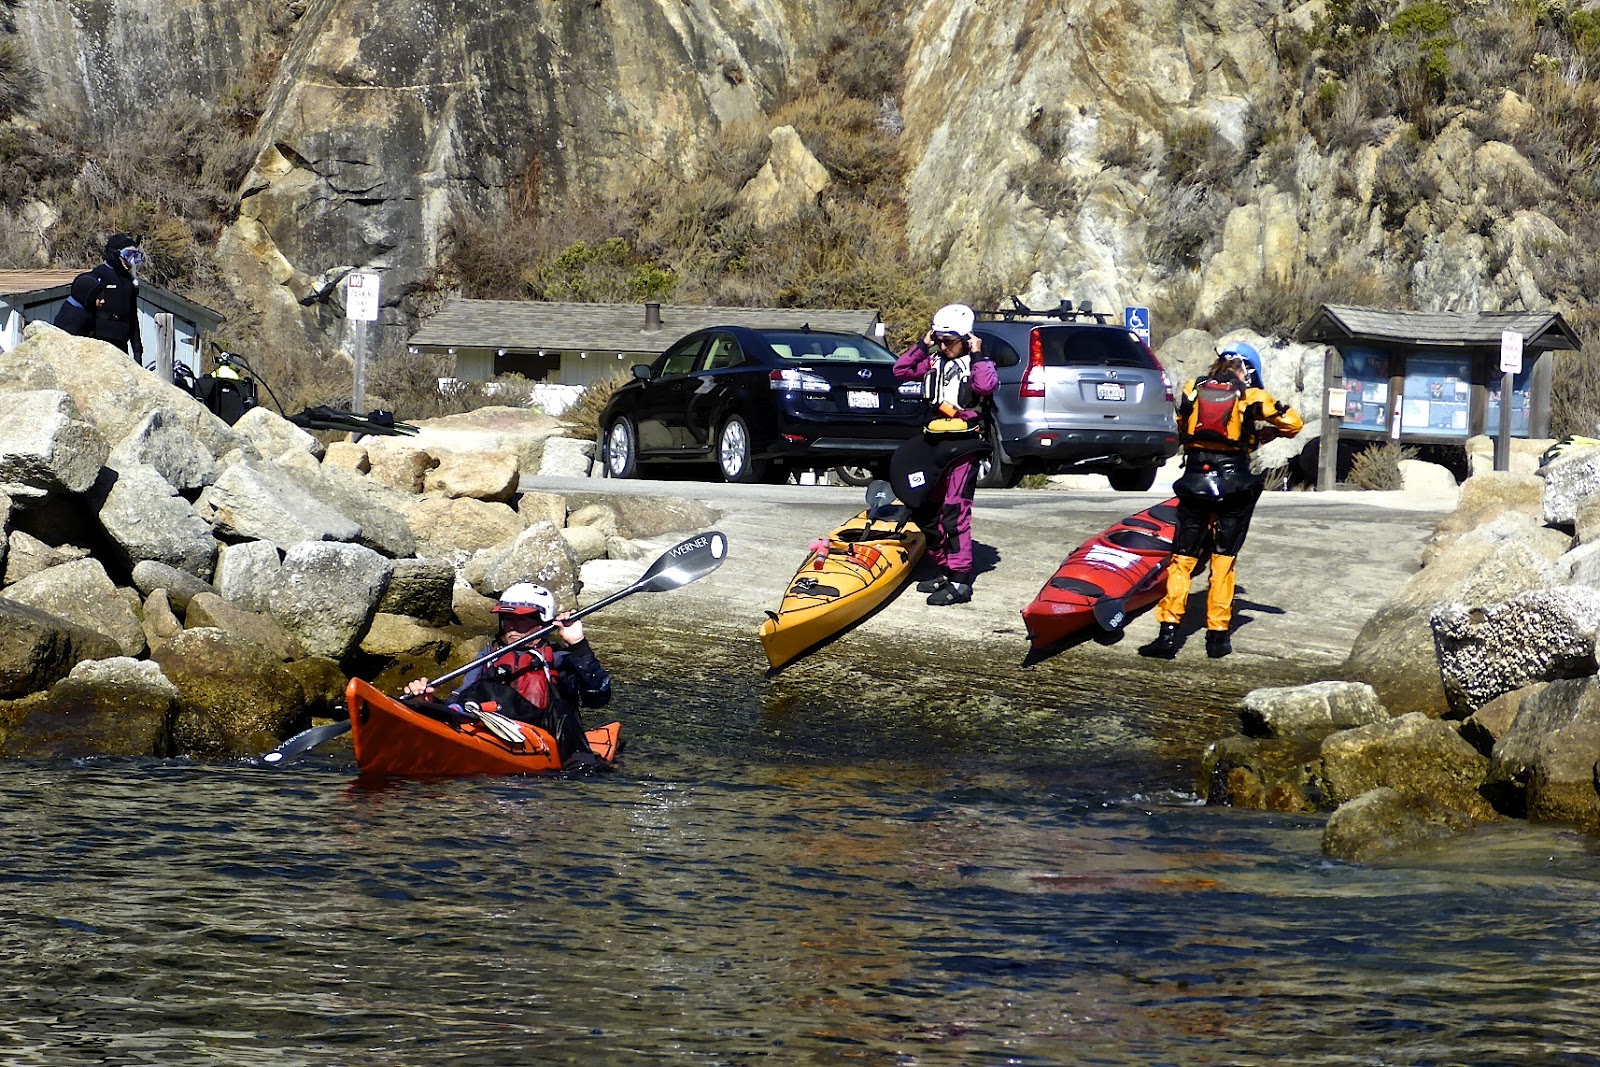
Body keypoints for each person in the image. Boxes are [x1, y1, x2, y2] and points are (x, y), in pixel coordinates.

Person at [1138, 341, 1303, 660]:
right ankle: (1217, 638)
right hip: (1235, 486)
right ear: (1248, 370)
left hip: (1196, 482)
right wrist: (1267, 434)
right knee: (1223, 561)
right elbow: (1293, 423)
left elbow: (1184, 428)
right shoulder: (1252, 396)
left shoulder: (1192, 388)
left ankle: (1168, 636)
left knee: (1182, 561)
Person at [403, 582, 611, 768]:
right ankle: (436, 711)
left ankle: (581, 765)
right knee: (478, 691)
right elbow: (462, 695)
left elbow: (597, 695)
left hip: (540, 732)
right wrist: (429, 702)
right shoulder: (489, 655)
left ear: (543, 621)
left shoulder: (558, 658)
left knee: (561, 707)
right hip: (492, 727)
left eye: (520, 619)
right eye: (507, 618)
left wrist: (579, 645)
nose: (511, 625)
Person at [892, 302, 999, 605]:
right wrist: (922, 345)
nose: (943, 345)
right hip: (935, 442)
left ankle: (961, 580)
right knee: (926, 507)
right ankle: (944, 568)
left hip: (964, 446)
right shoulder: (936, 360)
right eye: (939, 339)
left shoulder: (981, 364)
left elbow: (985, 386)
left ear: (966, 339)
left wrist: (976, 353)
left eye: (949, 341)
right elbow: (900, 370)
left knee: (954, 511)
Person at [52, 233, 147, 365]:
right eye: (128, 255)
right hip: (98, 344)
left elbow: (133, 319)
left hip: (121, 346)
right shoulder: (98, 276)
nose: (130, 261)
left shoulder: (129, 282)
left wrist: (137, 351)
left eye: (135, 257)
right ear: (115, 253)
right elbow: (84, 311)